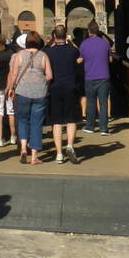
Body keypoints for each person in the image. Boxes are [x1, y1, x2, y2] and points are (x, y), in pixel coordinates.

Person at [8, 30, 52, 165]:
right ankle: (34, 156)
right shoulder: (43, 55)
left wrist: (10, 88)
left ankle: (22, 148)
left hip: (22, 92)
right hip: (40, 93)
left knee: (22, 120)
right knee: (36, 124)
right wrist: (40, 81)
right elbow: (49, 76)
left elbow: (14, 74)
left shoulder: (19, 55)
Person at [47, 24, 82, 163]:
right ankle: (70, 145)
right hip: (70, 87)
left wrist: (51, 42)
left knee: (56, 122)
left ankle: (59, 154)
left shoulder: (49, 52)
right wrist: (71, 42)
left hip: (54, 87)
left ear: (55, 36)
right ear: (66, 35)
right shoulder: (73, 51)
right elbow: (81, 55)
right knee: (71, 119)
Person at [80, 20, 113, 135]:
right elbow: (110, 59)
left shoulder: (84, 44)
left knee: (91, 102)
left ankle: (90, 126)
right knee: (103, 102)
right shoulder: (105, 44)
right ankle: (104, 128)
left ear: (89, 31)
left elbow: (80, 59)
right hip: (104, 76)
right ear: (97, 31)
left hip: (90, 76)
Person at [0, 36, 16, 147]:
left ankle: (0, 139)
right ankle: (13, 137)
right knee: (11, 112)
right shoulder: (11, 53)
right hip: (9, 85)